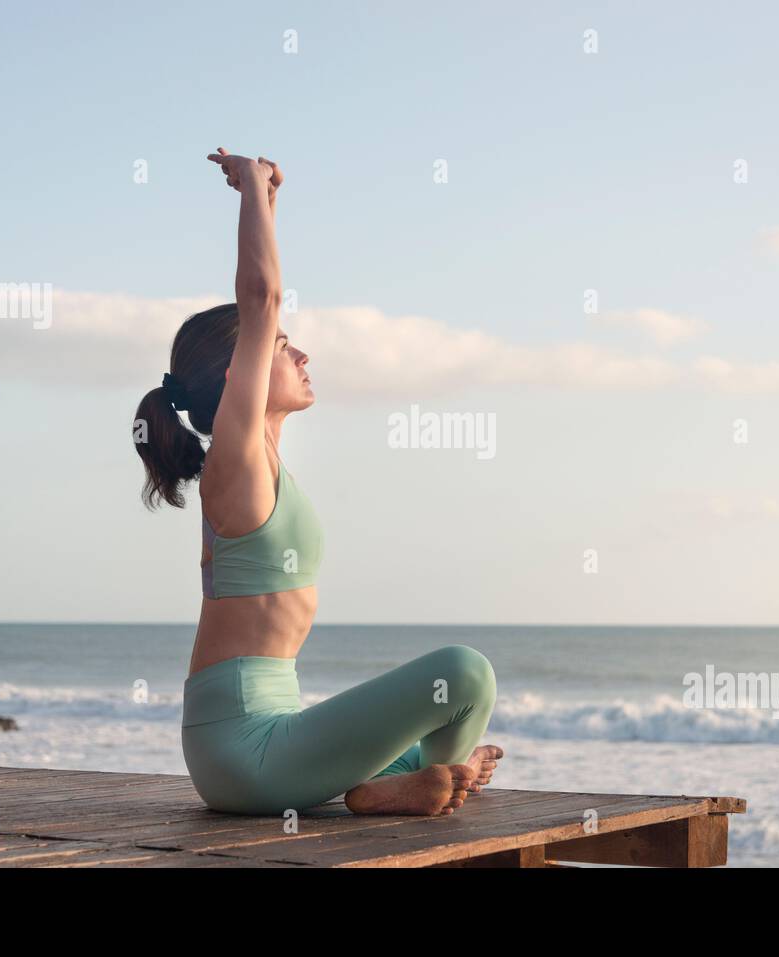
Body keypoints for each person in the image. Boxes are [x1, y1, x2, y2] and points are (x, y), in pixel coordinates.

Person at [132, 148, 503, 816]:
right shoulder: (235, 462)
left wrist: (269, 201)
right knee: (464, 669)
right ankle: (404, 781)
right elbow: (262, 296)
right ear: (234, 375)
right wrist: (250, 184)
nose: (300, 353)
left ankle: (400, 779)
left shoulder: (265, 458)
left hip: (276, 729)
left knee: (465, 694)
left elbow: (264, 304)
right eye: (280, 345)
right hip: (243, 748)